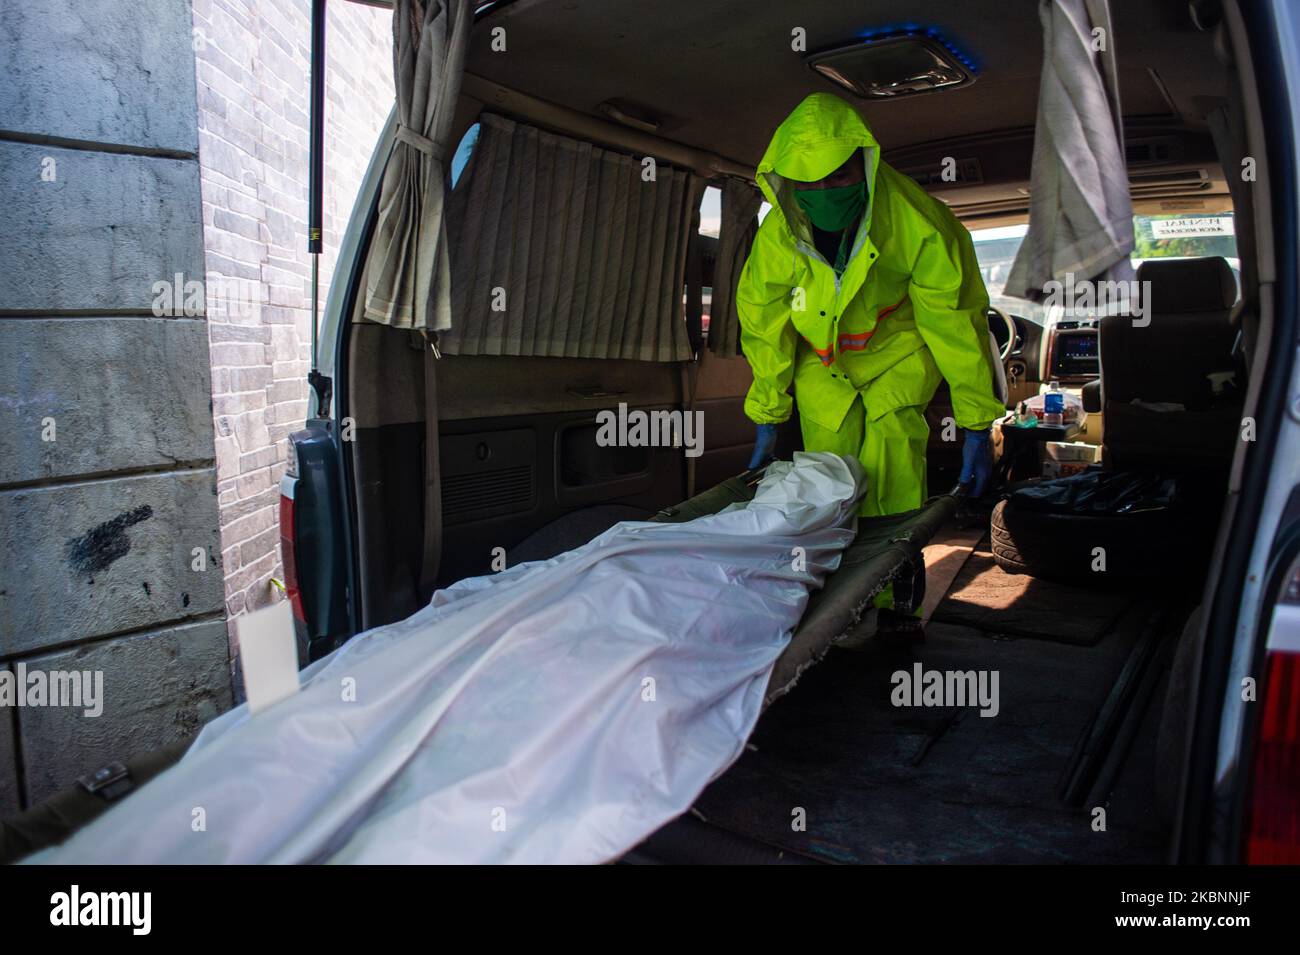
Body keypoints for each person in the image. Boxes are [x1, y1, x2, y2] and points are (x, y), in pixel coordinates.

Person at [739, 92, 1004, 520]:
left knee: (891, 483)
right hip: (823, 364)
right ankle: (832, 580)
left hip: (897, 357)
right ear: (787, 182)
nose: (823, 192)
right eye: (808, 183)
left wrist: (975, 420)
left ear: (864, 165)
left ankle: (887, 582)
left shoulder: (919, 223)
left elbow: (953, 321)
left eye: (838, 177)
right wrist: (768, 410)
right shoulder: (778, 234)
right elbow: (762, 320)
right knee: (826, 489)